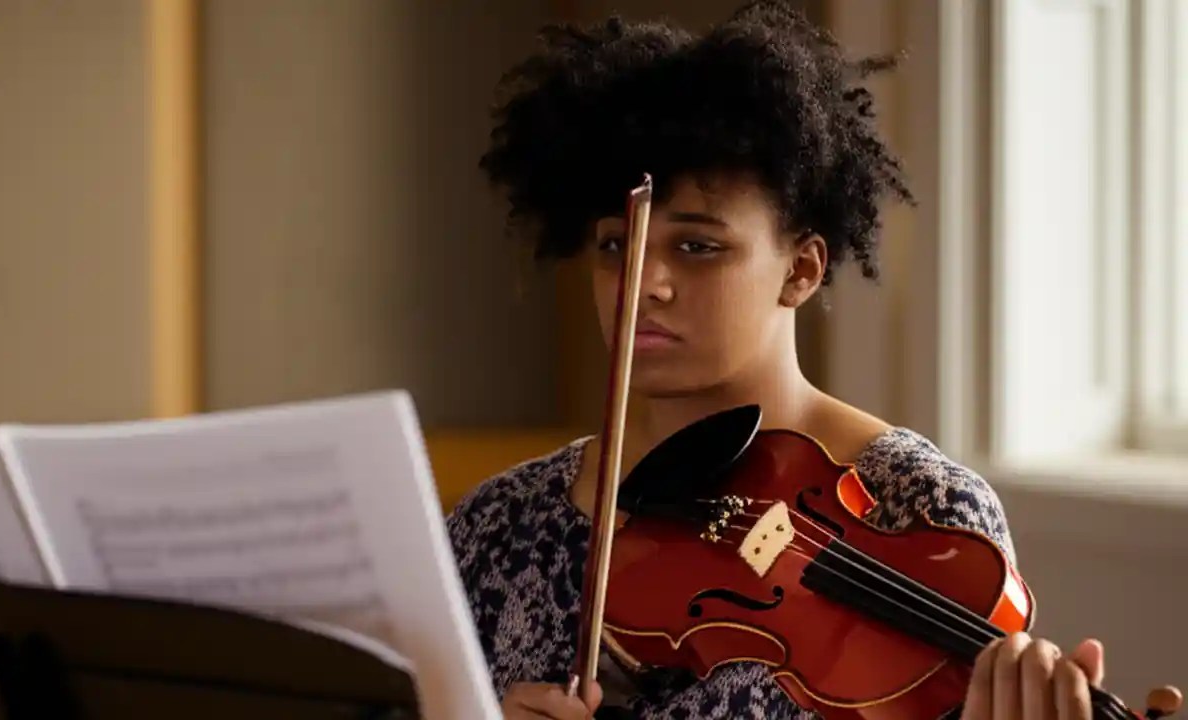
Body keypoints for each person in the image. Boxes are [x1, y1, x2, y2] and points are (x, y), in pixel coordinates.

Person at [445, 2, 1107, 718]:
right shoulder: (498, 525)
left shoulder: (917, 511)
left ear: (801, 269)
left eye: (698, 246)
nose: (645, 280)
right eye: (617, 245)